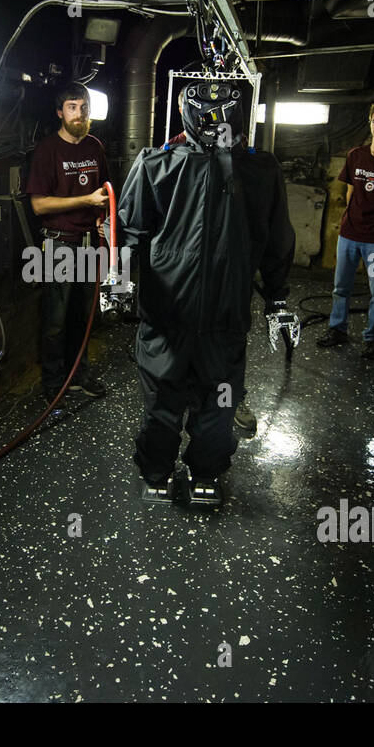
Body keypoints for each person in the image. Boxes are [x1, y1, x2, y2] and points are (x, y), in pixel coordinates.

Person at [118, 80, 255, 507]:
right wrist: (119, 276)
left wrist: (281, 298)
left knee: (219, 401)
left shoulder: (256, 169)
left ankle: (206, 473)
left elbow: (270, 237)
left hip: (224, 316)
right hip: (168, 313)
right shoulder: (157, 164)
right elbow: (131, 230)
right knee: (162, 400)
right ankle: (157, 471)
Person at [163, 96, 295, 435]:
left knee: (229, 345)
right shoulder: (168, 154)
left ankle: (232, 400)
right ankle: (177, 412)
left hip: (232, 270)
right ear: (185, 111)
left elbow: (271, 225)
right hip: (184, 277)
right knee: (181, 350)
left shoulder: (249, 158)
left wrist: (275, 295)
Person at [25, 83, 110, 402]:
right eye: (72, 107)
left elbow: (103, 196)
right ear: (60, 113)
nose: (80, 113)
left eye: (84, 106)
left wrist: (101, 216)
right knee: (55, 320)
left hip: (89, 242)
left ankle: (79, 375)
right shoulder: (48, 150)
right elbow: (39, 205)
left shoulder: (95, 147)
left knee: (84, 316)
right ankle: (52, 380)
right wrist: (84, 200)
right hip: (59, 244)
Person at [317, 99, 374, 359]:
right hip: (350, 236)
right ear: (370, 124)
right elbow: (349, 193)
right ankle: (337, 330)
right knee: (341, 287)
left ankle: (372, 338)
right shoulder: (355, 155)